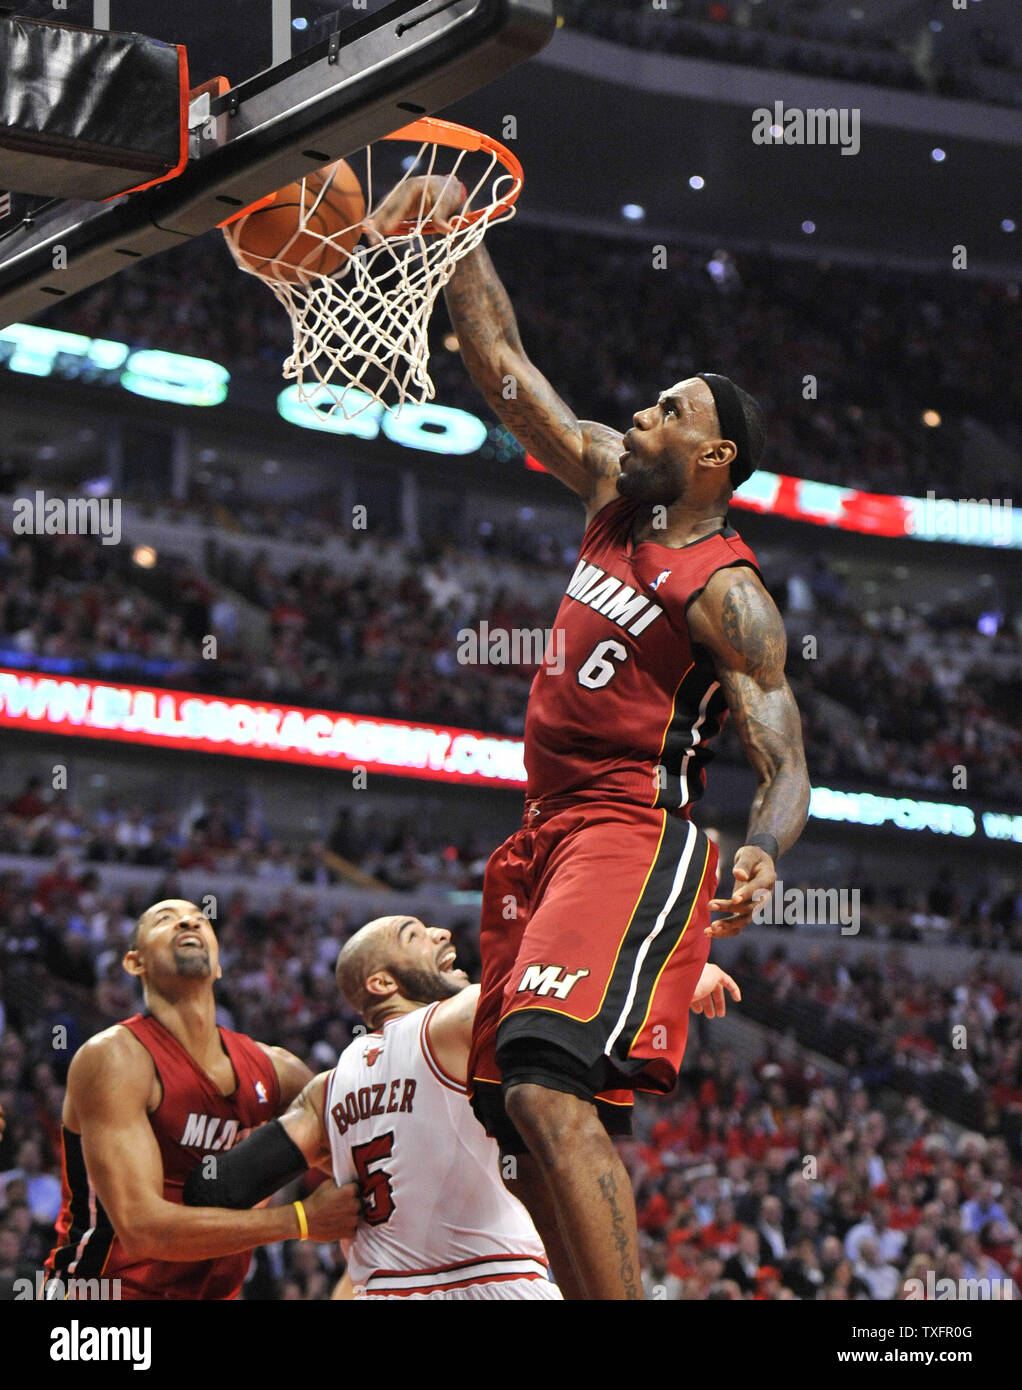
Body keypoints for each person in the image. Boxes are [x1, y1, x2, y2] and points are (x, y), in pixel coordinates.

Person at [365, 177, 811, 1300]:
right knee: (511, 1112)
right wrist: (459, 238)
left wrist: (765, 847)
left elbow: (783, 758)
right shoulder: (614, 493)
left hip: (628, 831)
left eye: (671, 411)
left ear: (713, 463)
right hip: (542, 833)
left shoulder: (728, 592)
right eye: (651, 404)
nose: (644, 415)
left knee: (545, 1087)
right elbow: (508, 377)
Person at [184, 914, 740, 1300]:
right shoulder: (452, 1022)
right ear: (381, 981)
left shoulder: (325, 1090)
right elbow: (573, 975)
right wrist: (681, 974)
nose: (440, 932)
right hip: (494, 1280)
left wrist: (302, 1221)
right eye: (415, 934)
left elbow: (220, 1188)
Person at [43, 899, 358, 1300]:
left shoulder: (278, 1071)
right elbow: (142, 1230)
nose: (188, 920)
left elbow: (364, 1164)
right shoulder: (114, 1058)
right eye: (165, 919)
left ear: (219, 964)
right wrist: (300, 1219)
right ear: (134, 963)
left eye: (198, 918)